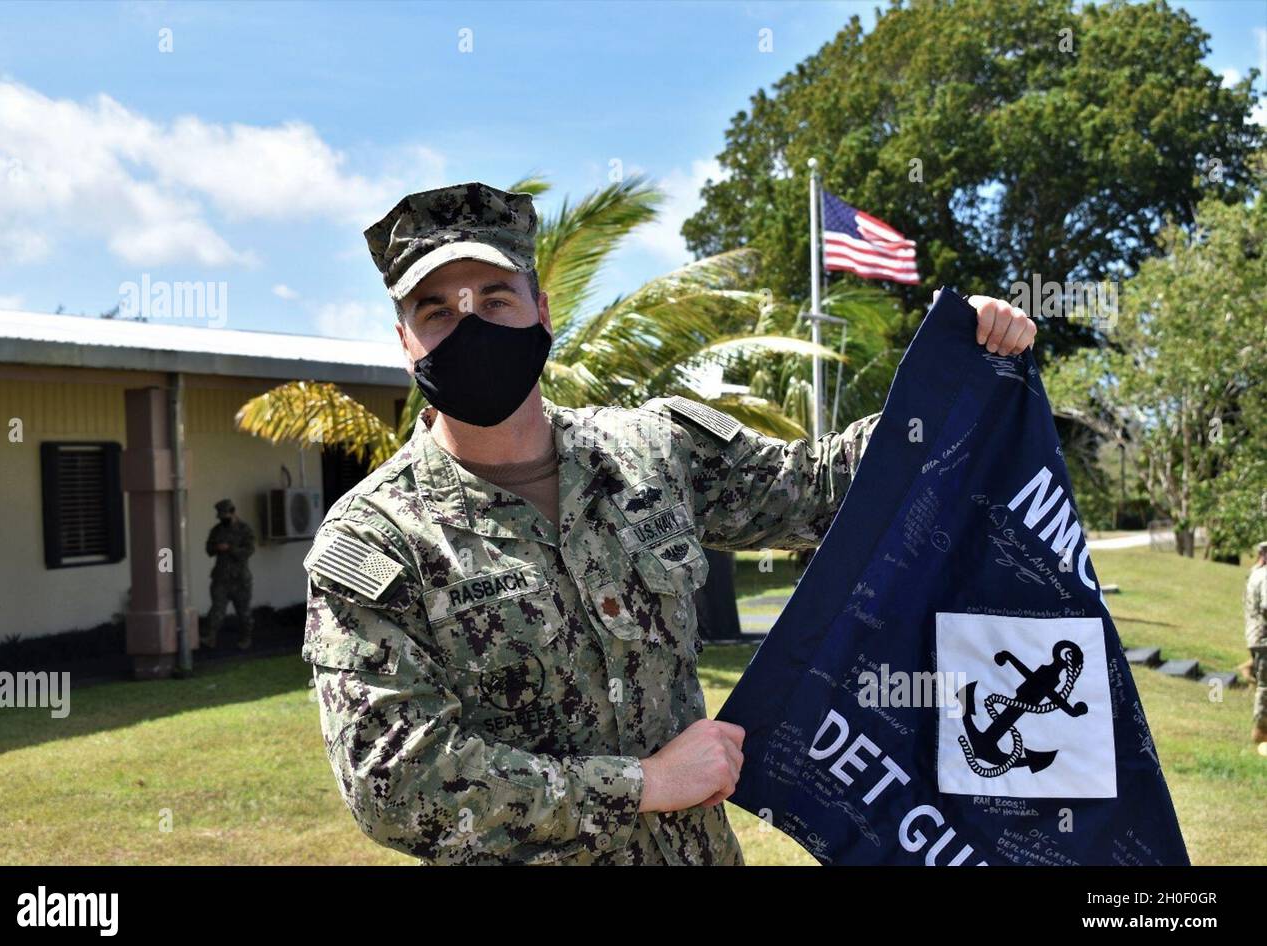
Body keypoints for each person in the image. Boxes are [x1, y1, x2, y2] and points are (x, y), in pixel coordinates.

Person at [301, 181, 1037, 865]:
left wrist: (958, 368)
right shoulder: (373, 540)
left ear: (542, 313)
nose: (470, 327)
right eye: (438, 311)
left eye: (495, 300)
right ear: (406, 342)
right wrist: (644, 783)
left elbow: (824, 491)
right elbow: (395, 783)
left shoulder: (652, 450)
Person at [203, 499, 255, 650]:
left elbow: (249, 551)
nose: (221, 519)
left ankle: (246, 638)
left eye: (224, 515)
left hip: (240, 579)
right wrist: (217, 548)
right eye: (220, 516)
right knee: (217, 609)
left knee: (243, 611)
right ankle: (210, 637)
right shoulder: (217, 530)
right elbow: (208, 549)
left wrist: (230, 548)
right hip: (221, 578)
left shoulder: (245, 530)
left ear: (232, 512)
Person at [1245, 540, 1267, 755]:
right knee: (1265, 687)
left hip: (1255, 636)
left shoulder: (1254, 573)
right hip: (1264, 639)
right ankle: (1261, 733)